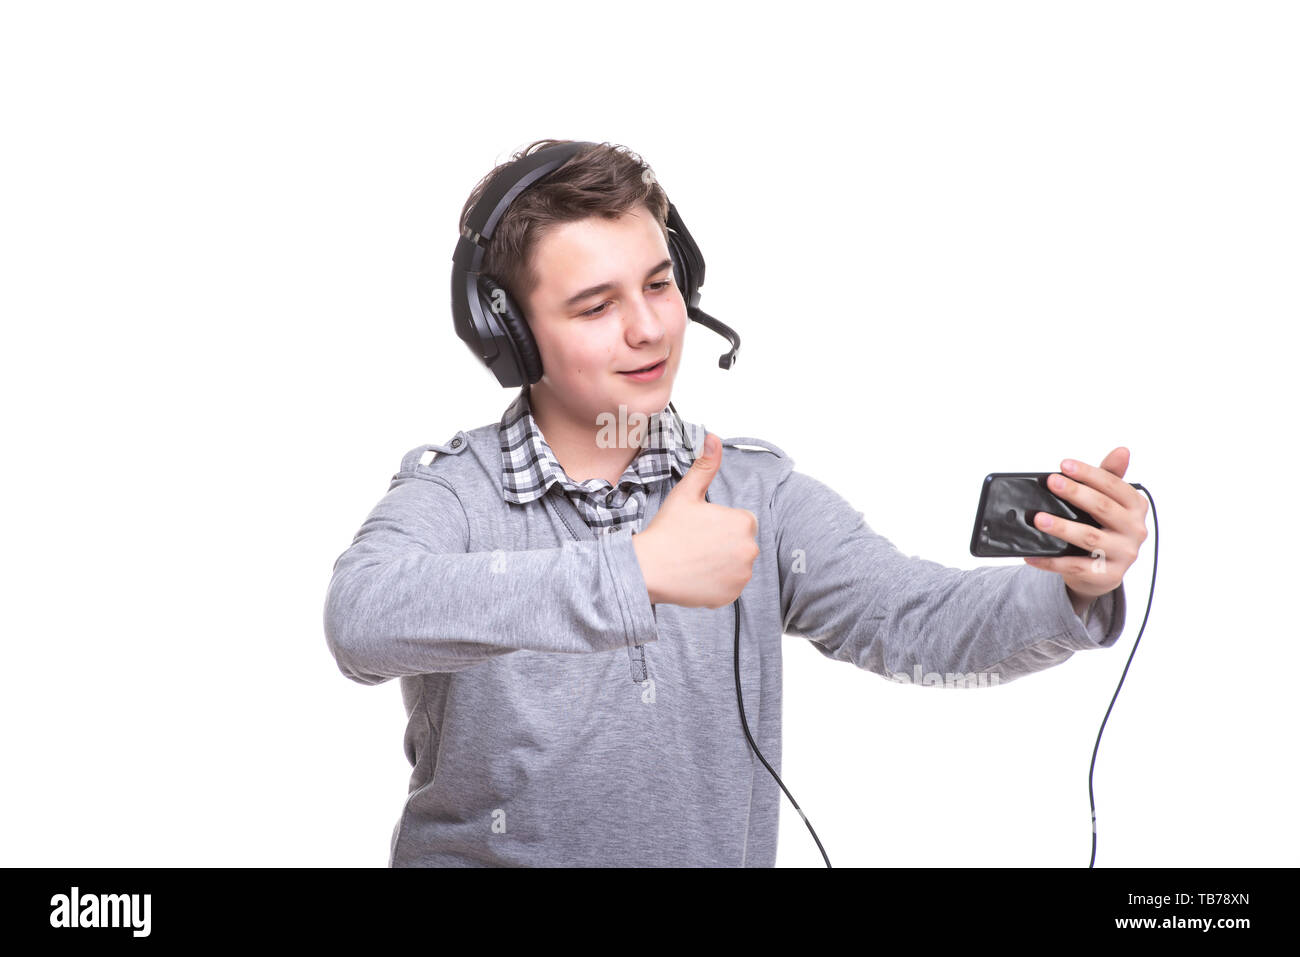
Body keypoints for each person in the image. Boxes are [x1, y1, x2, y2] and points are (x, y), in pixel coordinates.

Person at [322, 138, 1146, 867]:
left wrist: (1071, 587)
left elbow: (916, 620)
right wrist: (634, 570)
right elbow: (359, 617)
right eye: (597, 305)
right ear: (512, 336)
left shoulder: (755, 491)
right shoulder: (456, 494)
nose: (649, 328)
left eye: (658, 284)